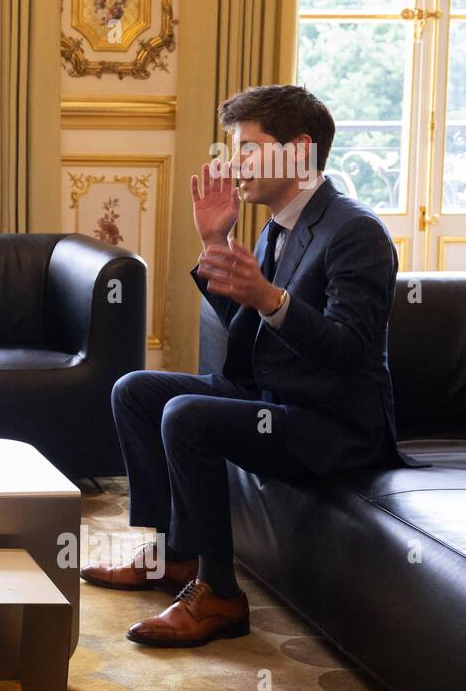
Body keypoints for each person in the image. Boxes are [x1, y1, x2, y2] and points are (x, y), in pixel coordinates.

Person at [82, 84, 409, 647]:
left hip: (333, 422)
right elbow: (247, 324)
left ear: (299, 150)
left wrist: (271, 299)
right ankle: (173, 557)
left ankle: (220, 596)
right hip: (270, 398)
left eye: (249, 148)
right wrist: (216, 240)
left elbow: (350, 352)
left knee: (187, 415)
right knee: (135, 389)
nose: (234, 164)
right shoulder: (278, 224)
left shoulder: (355, 232)